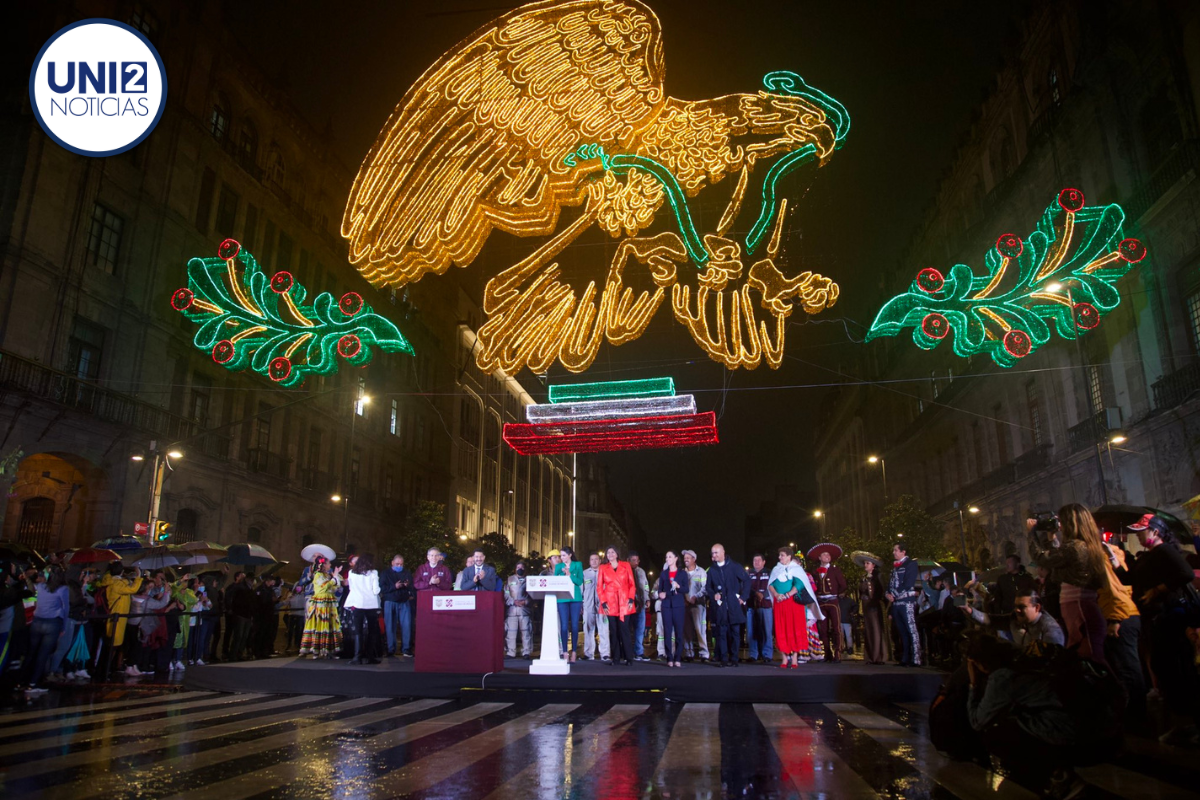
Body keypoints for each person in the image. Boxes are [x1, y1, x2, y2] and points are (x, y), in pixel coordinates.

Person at [1119, 514, 1199, 746]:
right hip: (1156, 619)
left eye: (1142, 531)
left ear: (1155, 531)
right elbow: (1131, 580)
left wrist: (1158, 589)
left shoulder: (1165, 551)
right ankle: (1182, 723)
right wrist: (1116, 561)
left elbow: (1185, 573)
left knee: (1177, 669)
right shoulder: (1151, 555)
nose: (1138, 535)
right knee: (1165, 669)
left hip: (1171, 617)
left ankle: (1190, 723)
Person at [1029, 505, 1108, 664]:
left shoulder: (1075, 547)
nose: (1060, 526)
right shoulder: (1083, 545)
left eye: (1061, 522)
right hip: (1078, 607)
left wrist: (1031, 533)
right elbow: (1059, 560)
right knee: (1085, 657)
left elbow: (1042, 558)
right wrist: (1052, 540)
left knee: (1090, 659)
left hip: (1079, 608)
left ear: (1070, 523)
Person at [770, 546, 822, 668]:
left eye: (782, 555)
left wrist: (788, 594)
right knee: (781, 629)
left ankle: (794, 658)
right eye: (779, 555)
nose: (780, 557)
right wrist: (777, 595)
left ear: (789, 557)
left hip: (794, 604)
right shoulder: (776, 569)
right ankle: (784, 658)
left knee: (795, 628)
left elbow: (799, 584)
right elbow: (771, 584)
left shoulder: (796, 569)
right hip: (780, 603)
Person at [20, 565, 68, 693]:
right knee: (43, 654)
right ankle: (33, 683)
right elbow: (65, 609)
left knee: (31, 652)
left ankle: (21, 681)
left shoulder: (41, 587)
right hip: (53, 623)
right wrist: (63, 626)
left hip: (37, 621)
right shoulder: (63, 589)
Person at [962, 589, 1065, 648]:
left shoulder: (1051, 629)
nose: (1017, 610)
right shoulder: (1014, 619)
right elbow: (990, 621)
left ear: (1037, 607)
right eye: (1015, 606)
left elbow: (1052, 662)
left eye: (1021, 607)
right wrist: (967, 609)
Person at [706, 543, 748, 667]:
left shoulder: (735, 567)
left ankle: (734, 658)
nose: (714, 555)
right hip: (720, 607)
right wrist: (713, 595)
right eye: (712, 553)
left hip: (734, 606)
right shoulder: (712, 570)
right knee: (722, 633)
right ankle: (723, 659)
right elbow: (708, 587)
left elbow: (746, 580)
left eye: (716, 552)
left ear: (723, 552)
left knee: (735, 632)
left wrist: (743, 597)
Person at [596, 546, 636, 666]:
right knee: (613, 631)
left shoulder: (626, 565)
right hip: (610, 602)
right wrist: (603, 602)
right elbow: (599, 587)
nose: (610, 554)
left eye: (613, 552)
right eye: (608, 552)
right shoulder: (603, 567)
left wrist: (630, 598)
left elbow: (632, 584)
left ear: (617, 554)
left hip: (624, 601)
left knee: (624, 630)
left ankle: (629, 657)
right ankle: (616, 658)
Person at [808, 543, 847, 663]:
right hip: (821, 602)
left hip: (832, 601)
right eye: (824, 555)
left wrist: (836, 593)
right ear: (819, 558)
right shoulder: (815, 572)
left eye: (828, 555)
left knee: (836, 628)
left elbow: (843, 585)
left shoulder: (835, 570)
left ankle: (837, 653)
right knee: (823, 629)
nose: (827, 556)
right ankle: (827, 653)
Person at [886, 542, 921, 667]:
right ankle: (905, 657)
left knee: (911, 630)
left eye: (896, 550)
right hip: (896, 604)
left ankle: (916, 658)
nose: (894, 552)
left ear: (903, 551)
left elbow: (908, 583)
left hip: (907, 603)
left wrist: (893, 594)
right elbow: (890, 584)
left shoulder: (910, 564)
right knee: (901, 631)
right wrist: (888, 594)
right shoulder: (895, 567)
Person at [299, 558, 341, 658]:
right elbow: (324, 586)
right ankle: (317, 649)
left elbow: (335, 587)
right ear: (323, 565)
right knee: (320, 624)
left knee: (329, 625)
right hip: (320, 603)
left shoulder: (327, 575)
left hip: (328, 601)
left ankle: (328, 649)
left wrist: (335, 578)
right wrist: (334, 578)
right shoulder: (318, 575)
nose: (330, 565)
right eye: (329, 563)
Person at [655, 550, 690, 668]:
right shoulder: (664, 574)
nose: (667, 559)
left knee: (679, 632)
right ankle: (669, 657)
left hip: (678, 605)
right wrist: (661, 594)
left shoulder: (682, 573)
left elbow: (686, 589)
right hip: (666, 605)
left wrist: (678, 587)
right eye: (666, 557)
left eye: (670, 557)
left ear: (676, 559)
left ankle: (678, 657)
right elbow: (660, 589)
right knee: (667, 632)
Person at [345, 553, 382, 664]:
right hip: (371, 604)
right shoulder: (373, 573)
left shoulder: (351, 572)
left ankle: (357, 657)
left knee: (358, 631)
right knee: (372, 631)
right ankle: (370, 656)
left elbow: (351, 588)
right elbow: (376, 590)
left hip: (357, 603)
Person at [554, 546, 584, 662]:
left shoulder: (578, 565)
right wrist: (562, 575)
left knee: (575, 625)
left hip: (575, 598)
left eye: (564, 555)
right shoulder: (558, 567)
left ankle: (574, 652)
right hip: (562, 598)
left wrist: (569, 575)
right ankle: (565, 652)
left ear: (570, 555)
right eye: (561, 556)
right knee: (564, 625)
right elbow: (555, 581)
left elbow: (579, 581)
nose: (562, 558)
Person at [380, 554, 413, 657]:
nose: (399, 566)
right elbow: (382, 588)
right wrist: (394, 586)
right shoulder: (385, 573)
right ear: (392, 563)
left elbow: (412, 586)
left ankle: (406, 649)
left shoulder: (406, 573)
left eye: (401, 564)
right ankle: (391, 649)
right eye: (397, 564)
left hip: (404, 601)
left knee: (407, 625)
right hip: (390, 601)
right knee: (390, 626)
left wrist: (407, 586)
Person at [681, 550, 709, 662]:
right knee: (686, 630)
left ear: (694, 559)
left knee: (700, 630)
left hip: (698, 605)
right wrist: (684, 599)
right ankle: (689, 653)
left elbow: (705, 588)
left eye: (688, 557)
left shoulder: (701, 572)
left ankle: (704, 654)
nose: (685, 559)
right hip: (685, 605)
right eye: (685, 557)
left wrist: (695, 597)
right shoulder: (682, 572)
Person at [745, 553, 774, 664]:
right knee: (751, 631)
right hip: (751, 605)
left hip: (766, 605)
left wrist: (763, 594)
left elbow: (773, 586)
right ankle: (753, 654)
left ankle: (767, 655)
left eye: (758, 560)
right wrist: (755, 594)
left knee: (767, 630)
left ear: (763, 562)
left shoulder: (769, 572)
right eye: (754, 560)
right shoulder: (748, 573)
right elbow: (745, 587)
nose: (756, 562)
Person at [859, 556, 887, 665]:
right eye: (865, 563)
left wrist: (874, 602)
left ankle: (878, 656)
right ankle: (870, 656)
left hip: (874, 606)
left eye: (868, 563)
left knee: (876, 629)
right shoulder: (863, 577)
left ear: (873, 565)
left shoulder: (878, 576)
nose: (865, 565)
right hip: (866, 606)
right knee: (868, 630)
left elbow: (880, 591)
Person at [581, 553, 609, 661]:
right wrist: (581, 605)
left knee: (603, 629)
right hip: (588, 606)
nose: (594, 561)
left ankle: (605, 653)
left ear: (600, 561)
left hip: (603, 607)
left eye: (596, 559)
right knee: (588, 630)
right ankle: (588, 653)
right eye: (592, 559)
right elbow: (581, 590)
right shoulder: (585, 574)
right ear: (589, 561)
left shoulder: (605, 572)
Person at [994, 555, 1036, 625]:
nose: (1007, 565)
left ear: (1017, 564)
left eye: (1010, 562)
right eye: (1006, 563)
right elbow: (998, 597)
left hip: (1024, 614)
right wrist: (998, 613)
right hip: (1007, 613)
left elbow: (1033, 594)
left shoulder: (1027, 578)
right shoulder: (1002, 579)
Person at [504, 560, 534, 658]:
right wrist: (513, 602)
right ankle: (510, 652)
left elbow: (533, 595)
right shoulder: (510, 579)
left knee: (526, 632)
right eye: (518, 568)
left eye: (521, 567)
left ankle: (526, 652)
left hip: (524, 610)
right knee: (511, 632)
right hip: (512, 610)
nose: (519, 569)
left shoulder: (530, 580)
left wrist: (525, 602)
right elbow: (506, 594)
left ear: (525, 569)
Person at [628, 552, 650, 661]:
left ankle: (639, 652)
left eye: (637, 560)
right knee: (629, 629)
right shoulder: (625, 570)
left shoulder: (641, 571)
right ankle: (628, 652)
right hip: (629, 604)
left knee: (640, 629)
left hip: (640, 603)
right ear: (628, 560)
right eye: (633, 560)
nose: (636, 562)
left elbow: (645, 585)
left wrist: (647, 599)